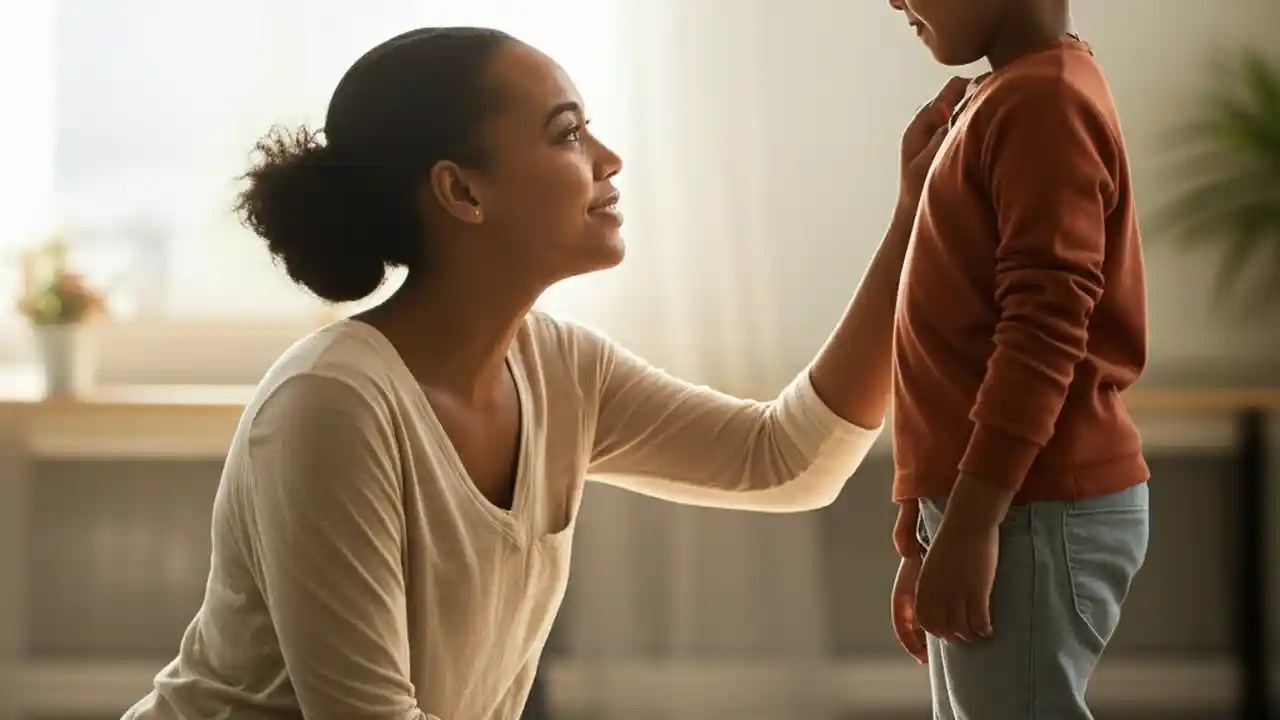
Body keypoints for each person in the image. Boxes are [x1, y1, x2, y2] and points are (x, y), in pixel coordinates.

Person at [122, 27, 966, 720]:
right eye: (566, 133)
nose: (608, 159)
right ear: (460, 192)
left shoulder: (560, 366)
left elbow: (787, 461)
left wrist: (915, 222)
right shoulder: (331, 404)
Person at [884, 1, 1150, 718]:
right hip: (997, 503)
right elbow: (957, 335)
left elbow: (1044, 327)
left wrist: (970, 523)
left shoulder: (1046, 102)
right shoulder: (1011, 96)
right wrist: (931, 519)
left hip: (1027, 507)